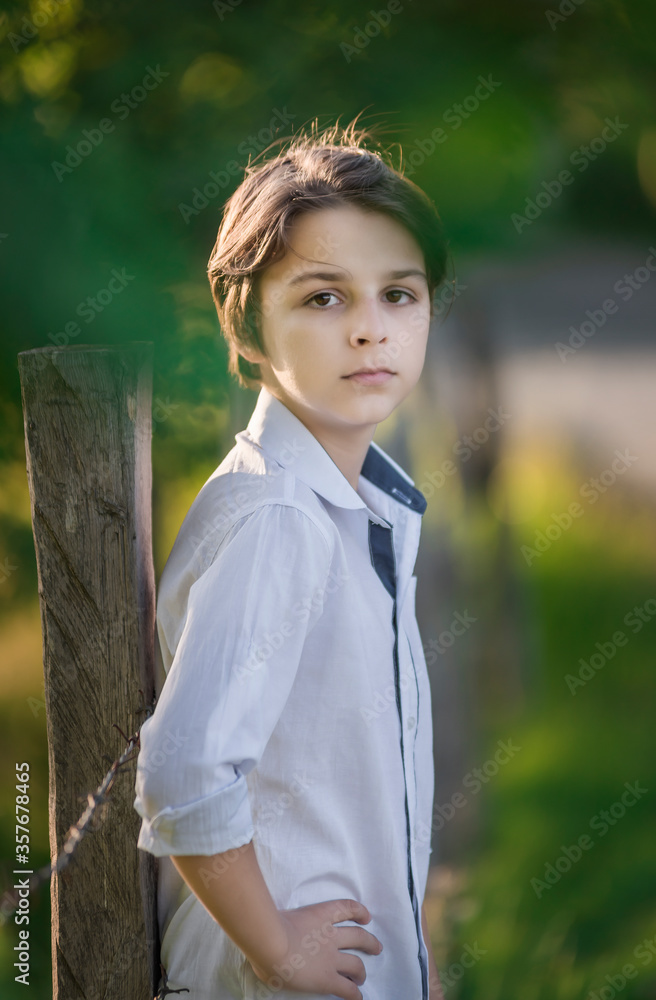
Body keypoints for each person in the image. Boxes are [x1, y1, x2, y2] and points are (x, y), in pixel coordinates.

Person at [134, 115, 449, 1000]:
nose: (370, 330)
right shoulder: (278, 517)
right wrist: (275, 948)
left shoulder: (353, 507)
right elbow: (184, 770)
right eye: (322, 298)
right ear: (246, 327)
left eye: (398, 294)